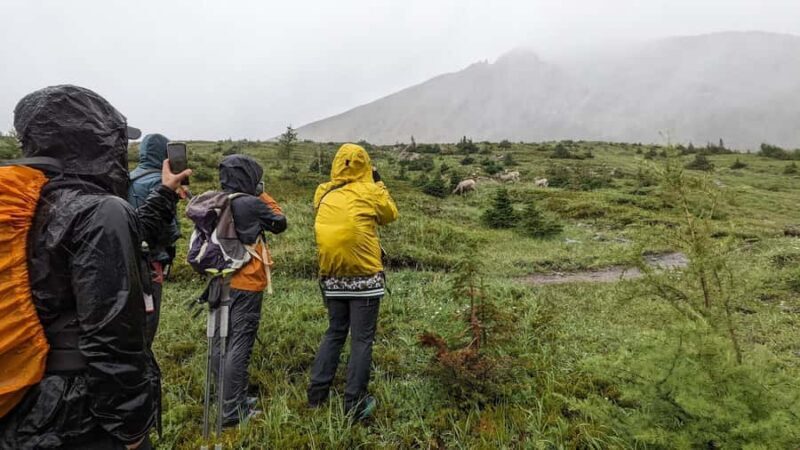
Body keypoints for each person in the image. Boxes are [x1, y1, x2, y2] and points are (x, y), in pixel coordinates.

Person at [0, 85, 190, 450]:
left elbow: (129, 229)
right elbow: (112, 336)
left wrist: (165, 192)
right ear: (97, 139)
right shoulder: (97, 211)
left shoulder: (26, 203)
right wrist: (132, 429)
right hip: (79, 415)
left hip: (20, 401)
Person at [307, 143, 398, 421]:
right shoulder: (370, 192)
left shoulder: (323, 192)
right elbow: (390, 215)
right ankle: (354, 403)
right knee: (361, 339)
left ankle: (316, 394)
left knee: (335, 331)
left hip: (331, 277)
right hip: (365, 278)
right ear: (365, 165)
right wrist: (378, 182)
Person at [213, 154, 287, 427]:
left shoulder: (217, 200)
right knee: (240, 346)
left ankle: (230, 398)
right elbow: (280, 222)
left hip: (220, 281)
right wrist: (263, 194)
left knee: (222, 341)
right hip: (246, 283)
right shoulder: (252, 203)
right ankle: (232, 412)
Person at [128, 133, 182, 346]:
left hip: (126, 259)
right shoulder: (161, 183)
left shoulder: (128, 178)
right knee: (147, 327)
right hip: (151, 265)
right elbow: (169, 231)